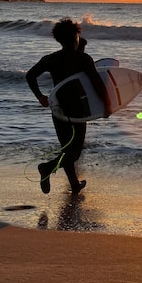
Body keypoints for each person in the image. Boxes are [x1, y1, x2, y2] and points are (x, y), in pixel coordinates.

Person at [26, 18, 109, 195]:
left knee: (66, 148)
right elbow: (96, 84)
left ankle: (74, 185)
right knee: (75, 152)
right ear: (75, 36)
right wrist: (107, 105)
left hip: (58, 108)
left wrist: (40, 96)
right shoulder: (83, 59)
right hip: (77, 109)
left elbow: (30, 76)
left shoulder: (50, 59)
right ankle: (47, 167)